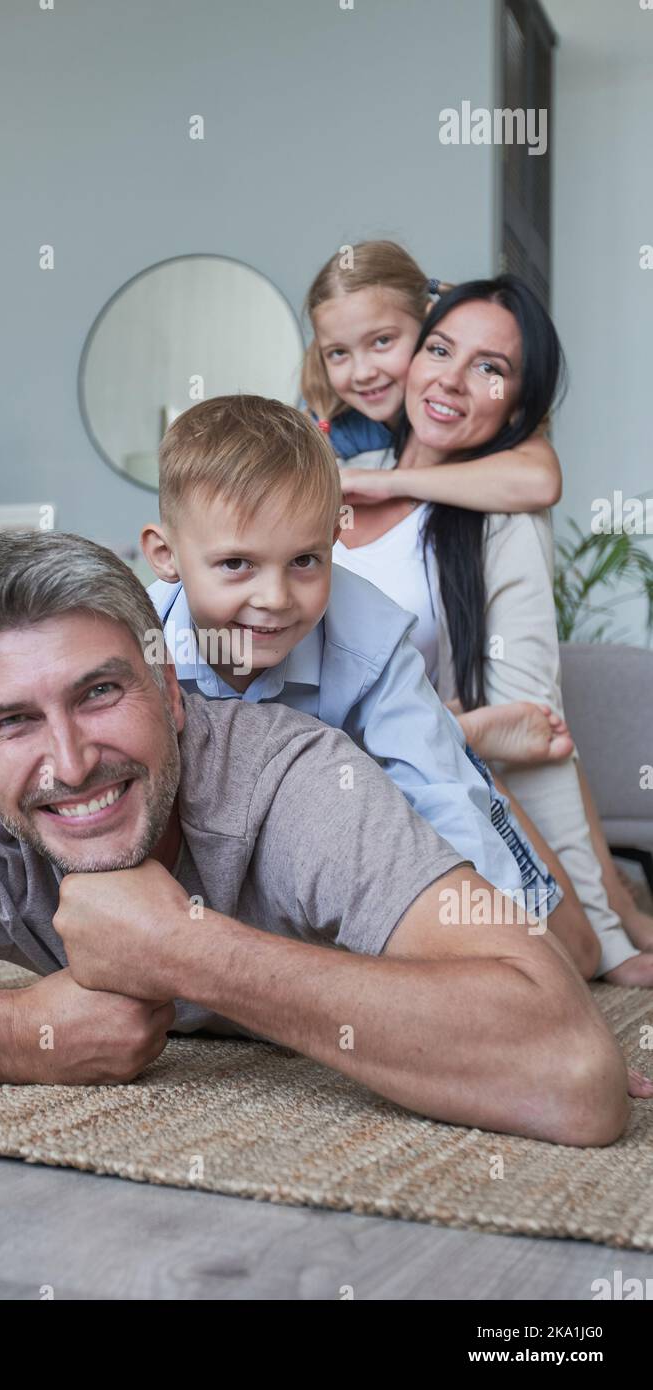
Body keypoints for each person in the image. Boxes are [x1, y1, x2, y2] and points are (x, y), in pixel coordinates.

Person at [0, 529, 640, 1138]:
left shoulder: (293, 777)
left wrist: (184, 950)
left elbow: (571, 1072)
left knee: (561, 940)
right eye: (12, 722)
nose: (71, 760)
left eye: (101, 693)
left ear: (170, 690)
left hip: (445, 854)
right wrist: (8, 1037)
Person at [0, 396, 575, 987]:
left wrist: (513, 970)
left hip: (353, 798)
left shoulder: (368, 644)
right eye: (236, 565)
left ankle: (457, 735)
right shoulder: (124, 646)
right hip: (223, 824)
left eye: (306, 561)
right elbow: (15, 794)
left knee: (477, 819)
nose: (276, 598)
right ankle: (462, 725)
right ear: (165, 555)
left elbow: (445, 797)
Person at [302, 242, 653, 984]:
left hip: (394, 778)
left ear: (518, 404)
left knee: (569, 955)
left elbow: (542, 733)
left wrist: (603, 923)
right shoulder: (336, 468)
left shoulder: (496, 512)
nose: (451, 380)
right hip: (305, 753)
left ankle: (610, 899)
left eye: (490, 368)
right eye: (440, 350)